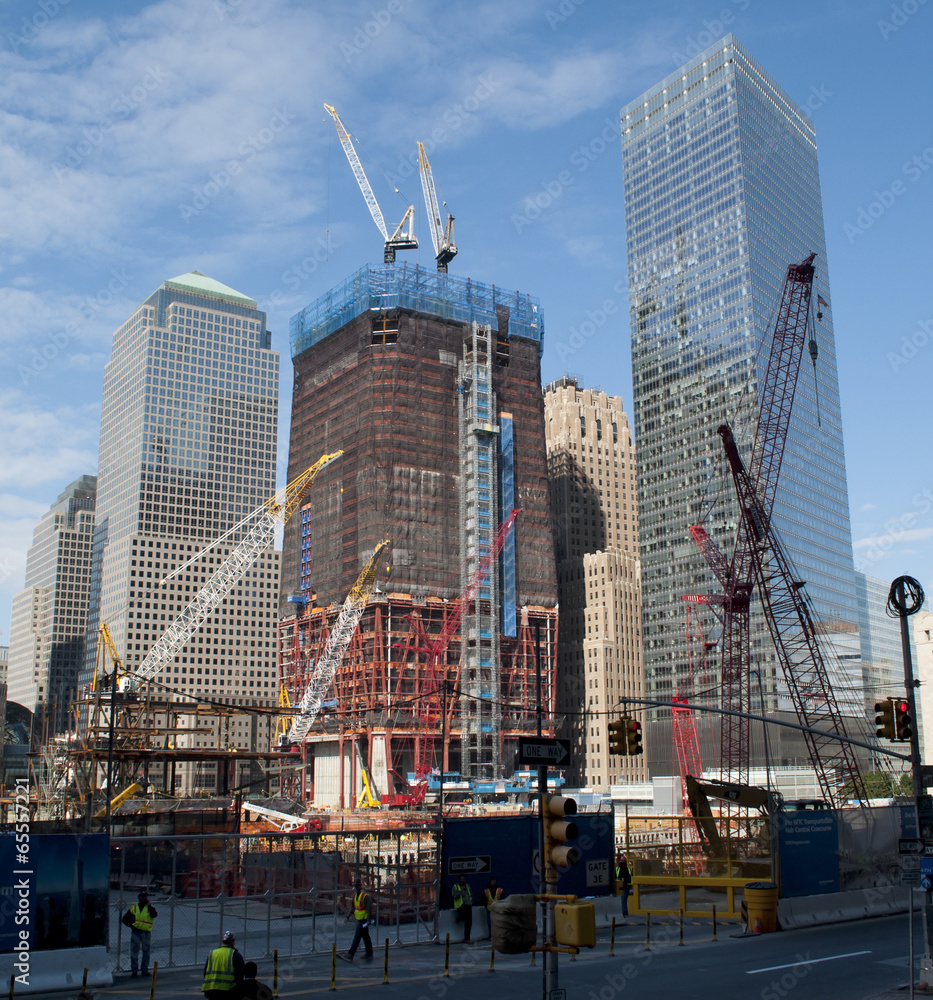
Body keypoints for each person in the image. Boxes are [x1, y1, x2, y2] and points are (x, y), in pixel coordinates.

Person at [201, 930, 245, 998]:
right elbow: (239, 975)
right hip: (229, 990)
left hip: (211, 989)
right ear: (233, 942)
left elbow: (205, 972)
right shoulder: (235, 955)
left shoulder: (212, 953)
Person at [125, 891, 157, 978]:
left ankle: (144, 969)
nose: (144, 898)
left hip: (146, 932)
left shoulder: (150, 907)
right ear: (139, 898)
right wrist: (131, 926)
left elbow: (154, 915)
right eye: (142, 897)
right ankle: (134, 971)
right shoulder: (134, 907)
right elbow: (125, 919)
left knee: (146, 951)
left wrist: (149, 905)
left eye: (145, 897)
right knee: (134, 951)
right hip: (136, 932)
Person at [342, 878, 373, 961]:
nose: (356, 886)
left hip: (363, 920)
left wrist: (369, 920)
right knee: (365, 936)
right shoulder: (355, 895)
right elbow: (353, 908)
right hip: (359, 919)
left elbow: (369, 908)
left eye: (357, 885)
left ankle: (351, 953)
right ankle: (369, 953)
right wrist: (347, 917)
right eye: (355, 885)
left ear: (360, 885)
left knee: (357, 936)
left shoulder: (365, 896)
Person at [451, 874, 472, 943]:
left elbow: (470, 894)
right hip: (460, 906)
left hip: (468, 905)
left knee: (469, 922)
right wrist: (460, 892)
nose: (462, 880)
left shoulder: (468, 886)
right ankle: (459, 918)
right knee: (463, 917)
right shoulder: (456, 886)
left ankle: (467, 938)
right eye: (461, 879)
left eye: (463, 879)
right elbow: (453, 896)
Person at [615, 853, 632, 919]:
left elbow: (619, 877)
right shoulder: (627, 868)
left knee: (623, 900)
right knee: (624, 899)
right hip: (626, 886)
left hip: (623, 886)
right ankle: (625, 912)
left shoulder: (620, 868)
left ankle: (624, 912)